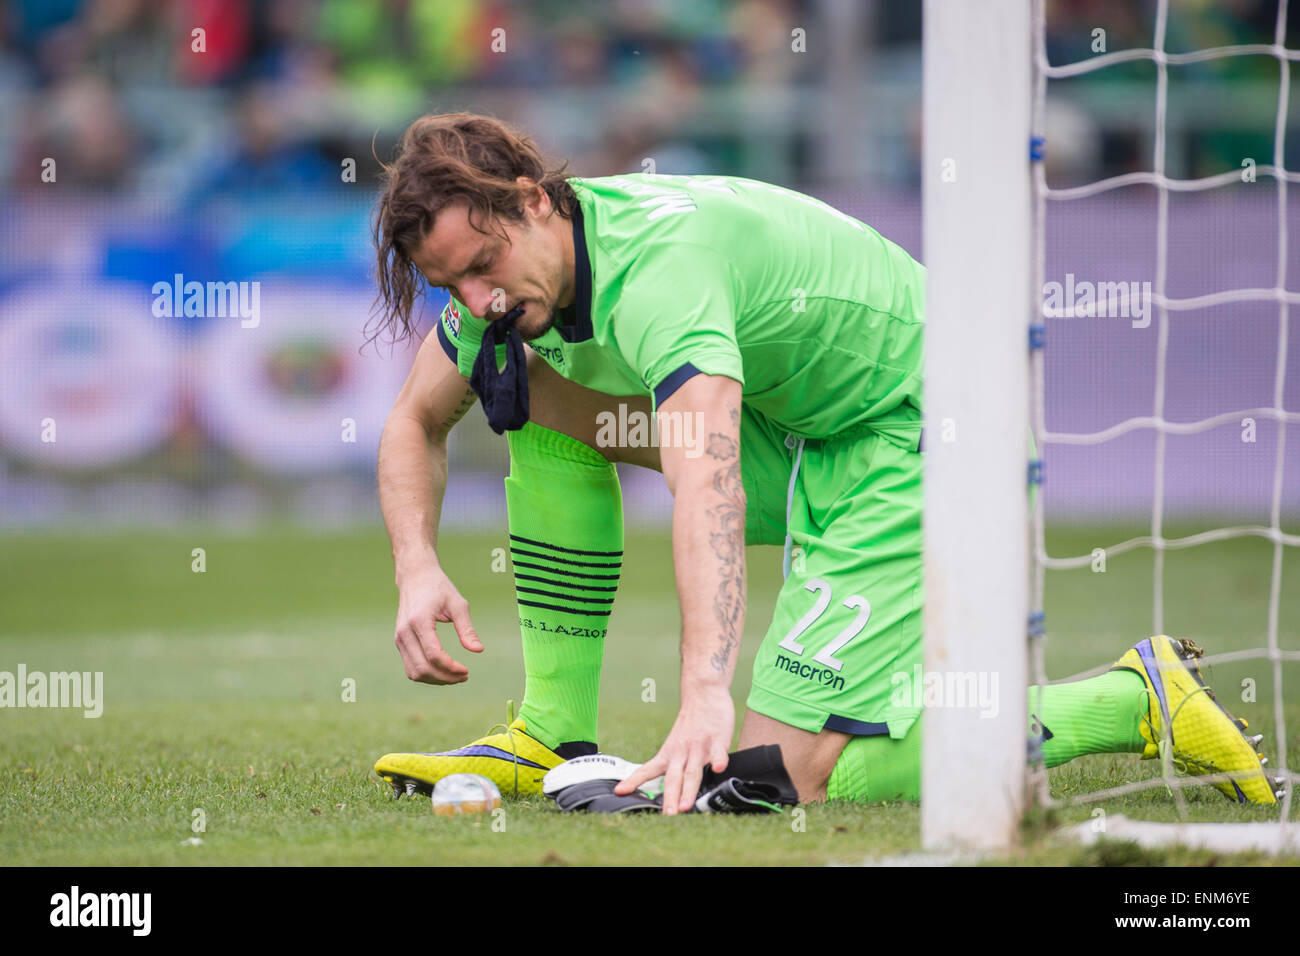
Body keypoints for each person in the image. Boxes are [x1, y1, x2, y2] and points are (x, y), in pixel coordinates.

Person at [369, 112, 1278, 814]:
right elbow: (413, 421)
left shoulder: (660, 272)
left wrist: (701, 696)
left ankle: (1130, 702)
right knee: (518, 391)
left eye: (485, 266)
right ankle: (552, 736)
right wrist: (416, 566)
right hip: (803, 437)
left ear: (533, 199)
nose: (478, 299)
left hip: (926, 426)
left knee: (775, 776)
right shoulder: (506, 296)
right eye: (453, 286)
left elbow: (708, 481)